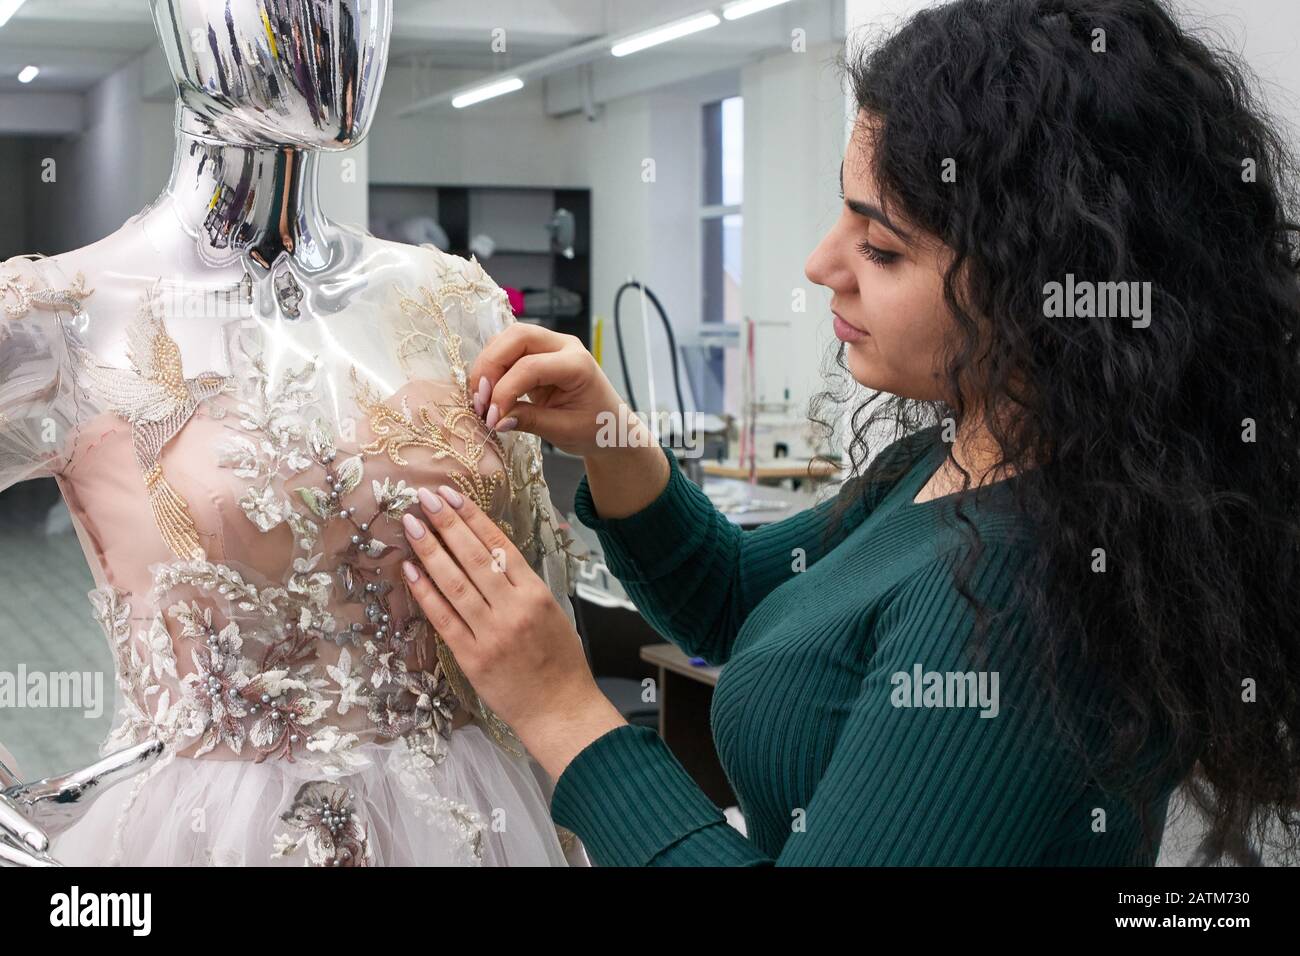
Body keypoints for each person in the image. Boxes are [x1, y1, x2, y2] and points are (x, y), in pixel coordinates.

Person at [397, 0, 1300, 866]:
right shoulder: (958, 459)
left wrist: (562, 712)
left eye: (882, 249)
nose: (820, 265)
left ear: (1037, 291)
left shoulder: (1020, 596)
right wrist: (610, 434)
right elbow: (745, 603)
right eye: (845, 216)